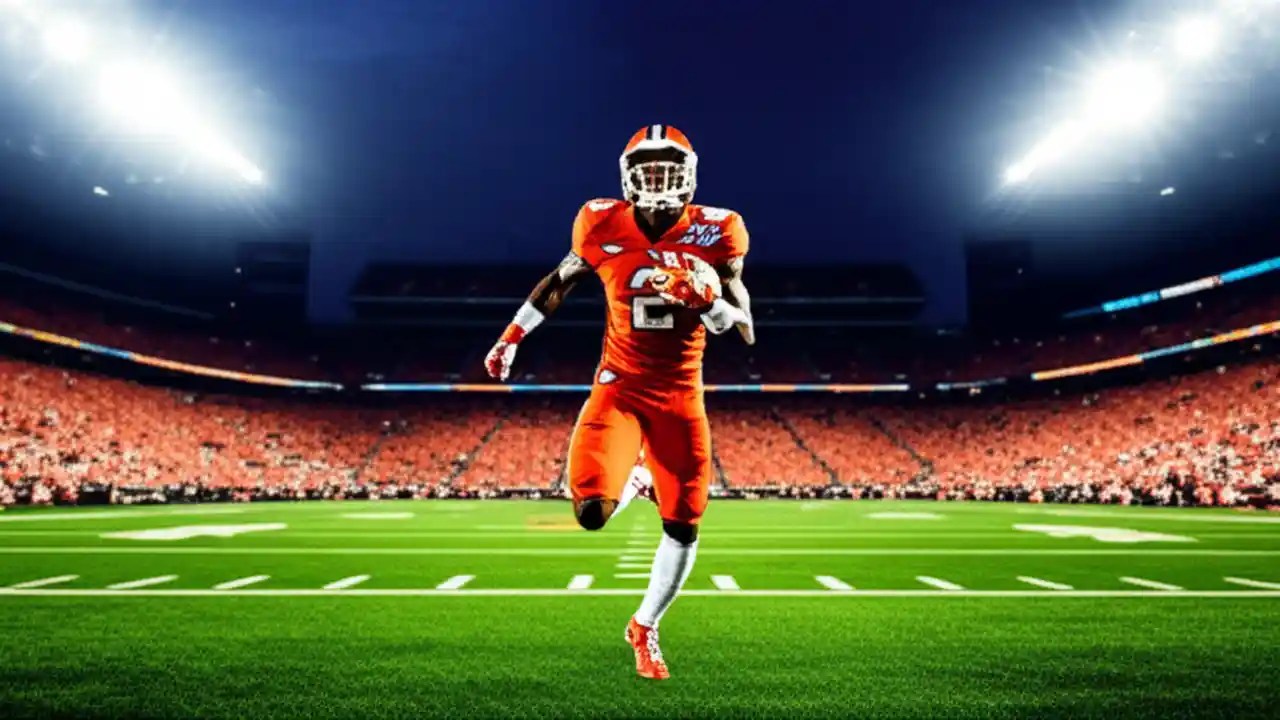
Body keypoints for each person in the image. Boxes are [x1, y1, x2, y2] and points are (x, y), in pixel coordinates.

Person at [484, 124, 753, 679]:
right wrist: (511, 336)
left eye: (668, 167)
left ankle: (645, 626)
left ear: (690, 172)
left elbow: (744, 326)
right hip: (620, 386)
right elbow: (558, 280)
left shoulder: (719, 230)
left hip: (680, 394)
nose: (658, 179)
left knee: (683, 526)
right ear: (628, 176)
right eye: (648, 168)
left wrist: (709, 305)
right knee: (589, 513)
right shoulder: (600, 221)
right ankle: (634, 478)